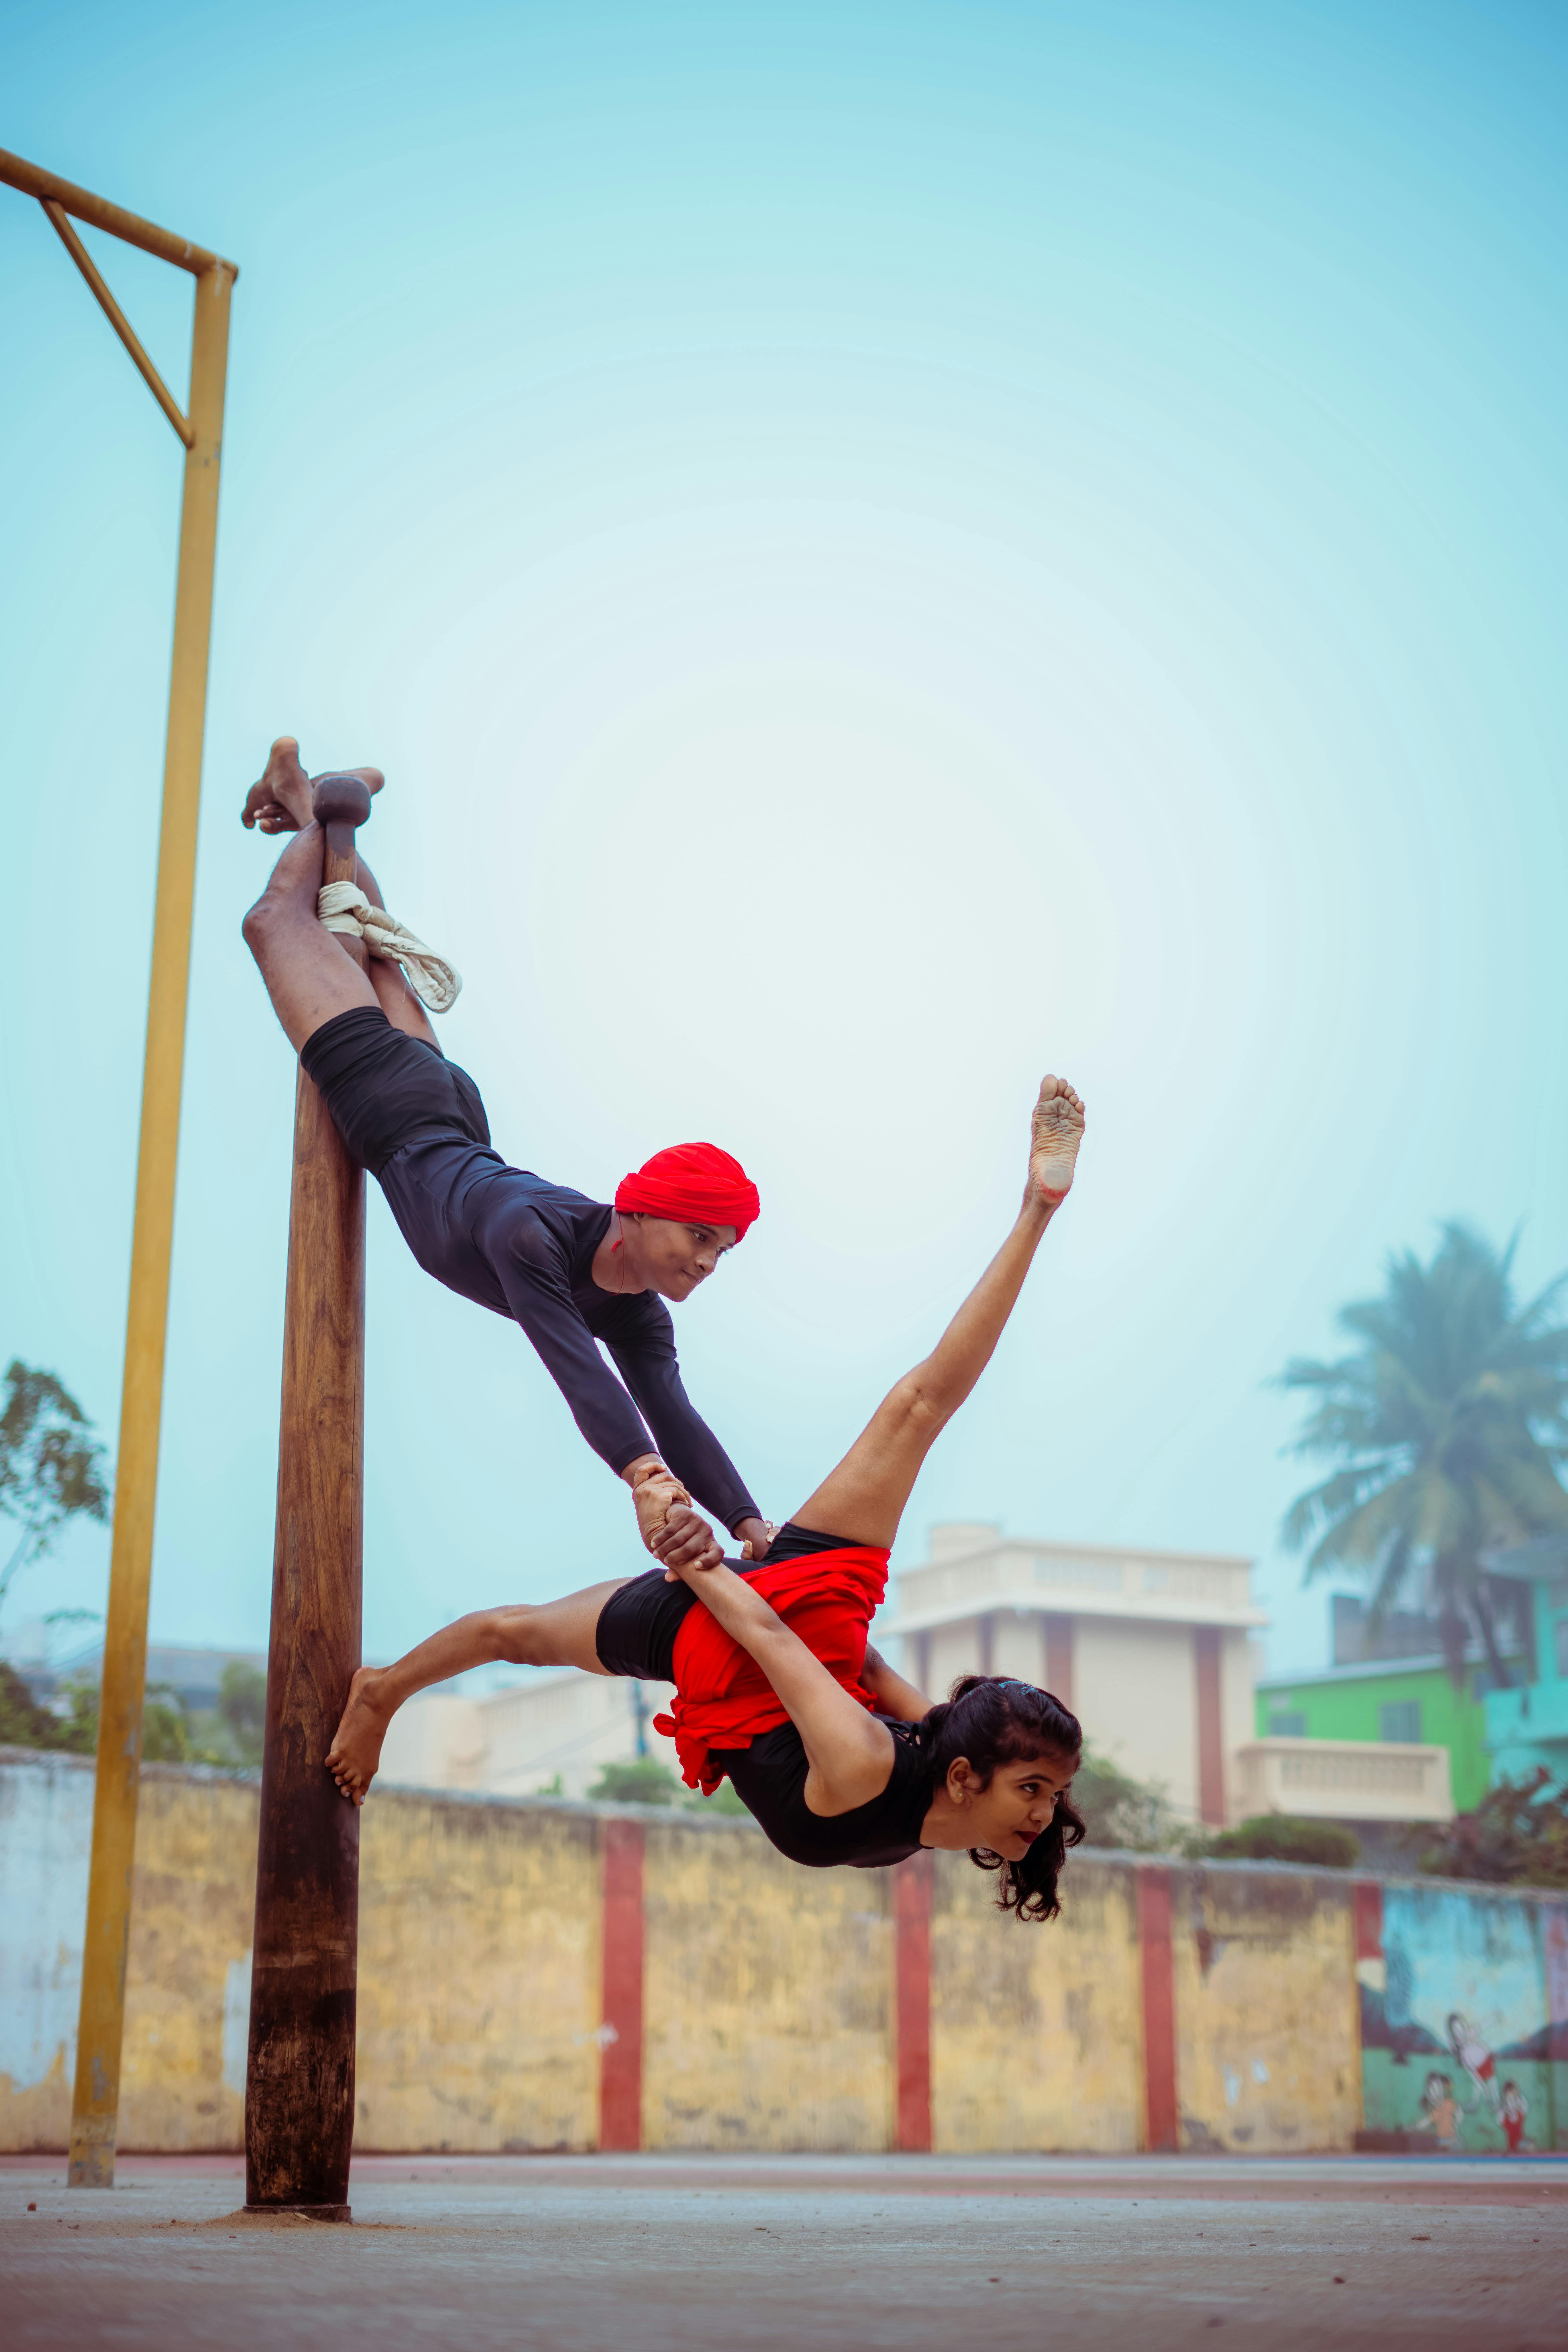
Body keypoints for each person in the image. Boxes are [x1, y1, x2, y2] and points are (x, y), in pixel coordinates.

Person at [327, 1073, 1091, 1922]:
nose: (1043, 1813)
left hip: (798, 1637)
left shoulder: (947, 1767)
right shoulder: (869, 1769)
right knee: (914, 1412)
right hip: (720, 1631)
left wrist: (743, 1530)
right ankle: (379, 1693)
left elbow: (870, 1673)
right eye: (1033, 1789)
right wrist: (696, 1561)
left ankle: (1037, 1207)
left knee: (917, 1414)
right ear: (967, 1779)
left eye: (1049, 1790)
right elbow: (764, 1633)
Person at [241, 738, 770, 1569]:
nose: (708, 1261)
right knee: (276, 923)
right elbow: (575, 1367)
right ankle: (325, 805)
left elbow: (671, 1413)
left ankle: (323, 802)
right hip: (399, 1105)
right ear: (635, 1211)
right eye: (699, 1235)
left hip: (447, 1113)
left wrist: (750, 1524)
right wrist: (642, 1476)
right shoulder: (534, 1238)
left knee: (367, 950)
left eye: (721, 1249)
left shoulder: (637, 1313)